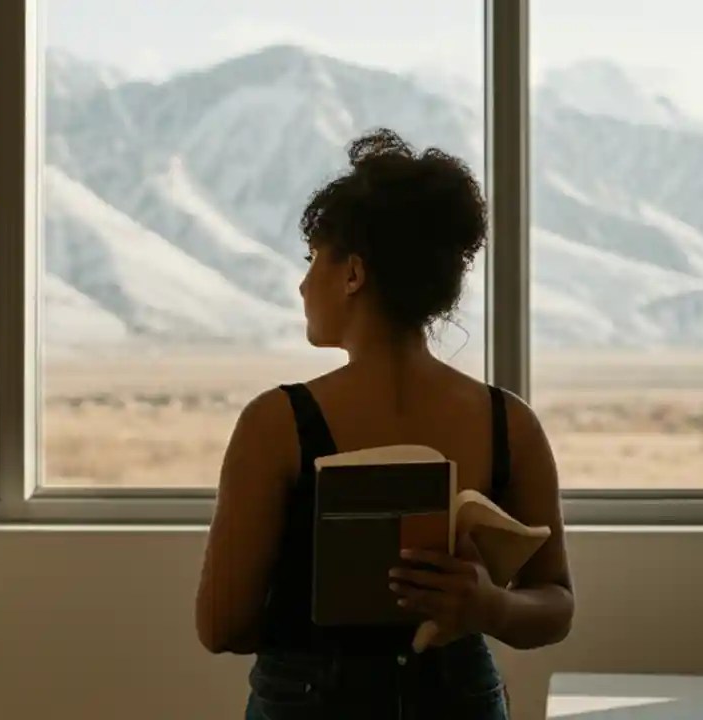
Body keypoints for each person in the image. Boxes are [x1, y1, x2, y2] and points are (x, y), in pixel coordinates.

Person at [195, 128, 574, 718]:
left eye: (313, 258)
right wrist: (486, 607)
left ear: (353, 274)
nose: (301, 283)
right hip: (460, 696)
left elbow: (221, 626)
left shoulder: (276, 423)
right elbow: (555, 605)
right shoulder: (509, 422)